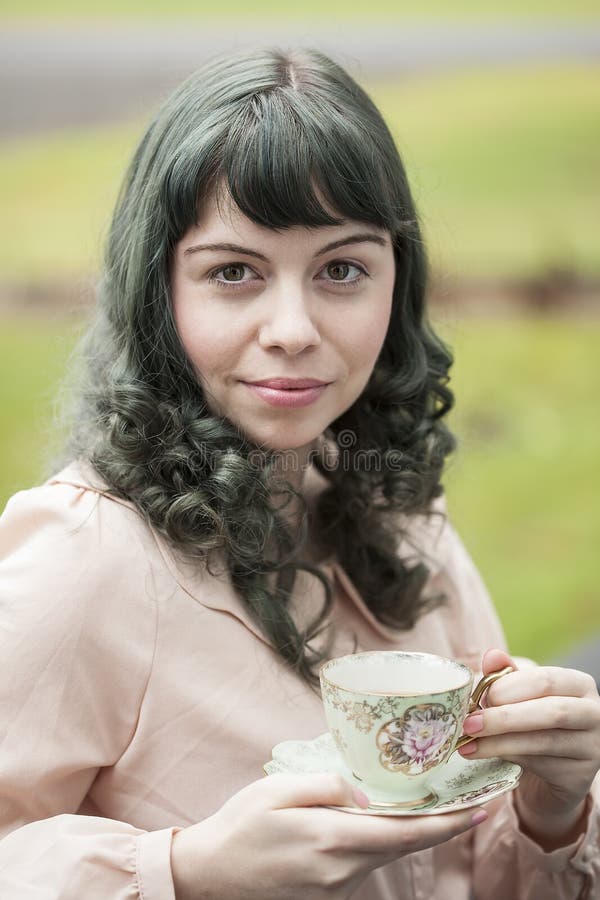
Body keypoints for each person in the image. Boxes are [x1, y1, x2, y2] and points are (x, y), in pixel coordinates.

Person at [0, 47, 598, 900]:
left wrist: (552, 805)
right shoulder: (87, 556)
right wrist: (186, 869)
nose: (292, 328)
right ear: (157, 291)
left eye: (341, 270)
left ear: (398, 285)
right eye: (233, 272)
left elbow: (469, 870)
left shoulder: (404, 524)